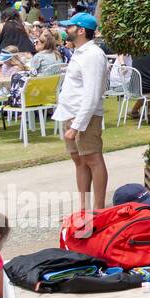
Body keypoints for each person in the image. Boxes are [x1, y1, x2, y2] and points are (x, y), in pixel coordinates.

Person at [53, 13, 108, 211]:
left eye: (70, 27)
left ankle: (99, 209)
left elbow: (92, 94)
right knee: (80, 161)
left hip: (85, 116)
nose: (66, 30)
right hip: (72, 113)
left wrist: (76, 126)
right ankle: (84, 209)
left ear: (81, 30)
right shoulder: (81, 52)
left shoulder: (93, 55)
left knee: (92, 158)